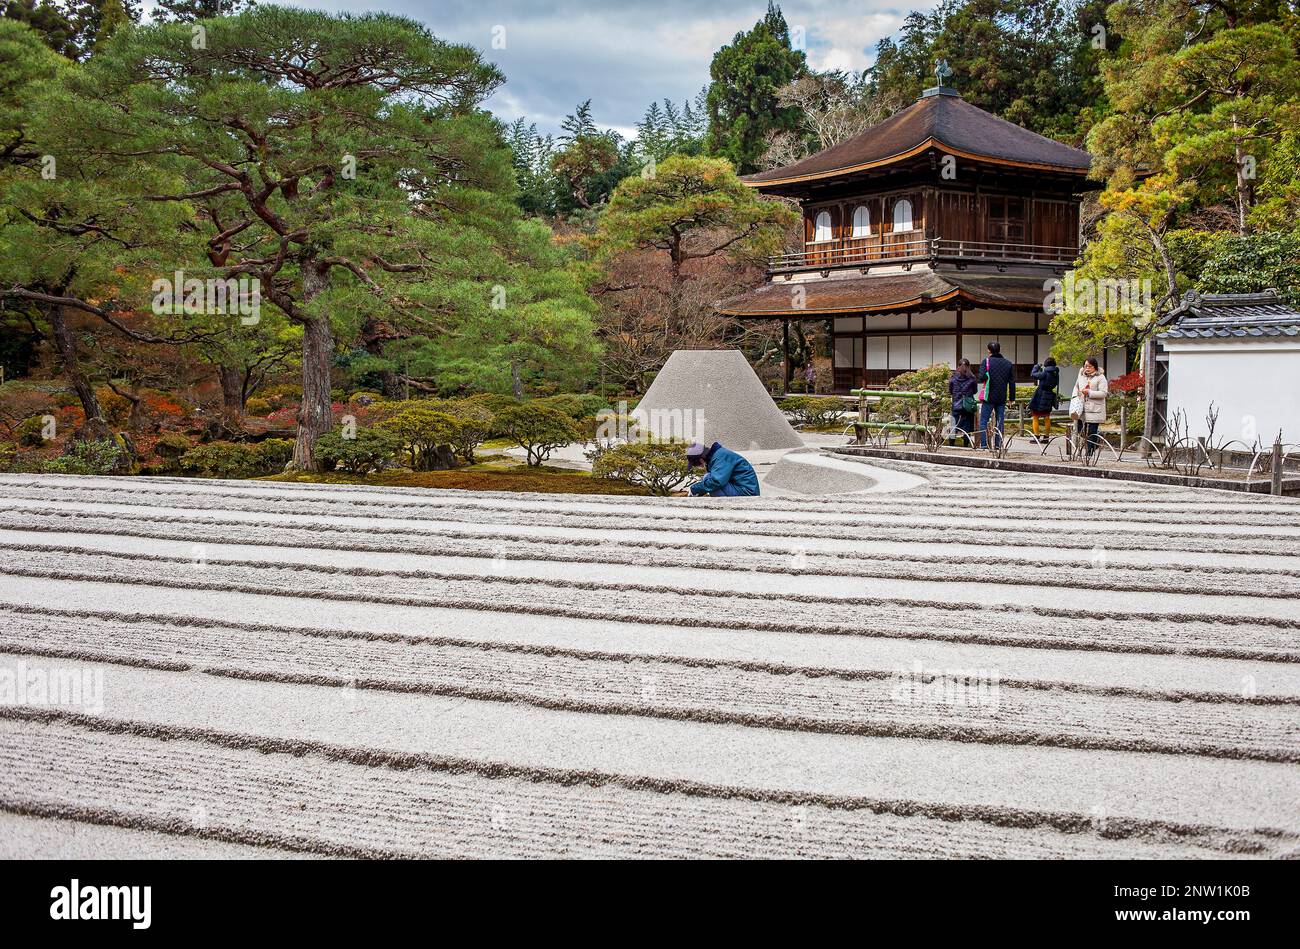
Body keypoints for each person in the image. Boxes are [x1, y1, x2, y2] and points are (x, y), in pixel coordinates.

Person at [976, 341, 1016, 449]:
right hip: (1001, 397)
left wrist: (987, 375)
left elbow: (981, 377)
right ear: (999, 349)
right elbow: (1012, 382)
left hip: (989, 396)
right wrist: (1012, 398)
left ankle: (984, 445)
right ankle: (998, 445)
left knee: (984, 420)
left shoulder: (987, 361)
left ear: (989, 350)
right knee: (1000, 421)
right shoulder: (1008, 363)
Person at [685, 441, 760, 497]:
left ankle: (722, 510)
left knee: (708, 477)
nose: (697, 467)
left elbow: (716, 482)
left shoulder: (721, 457)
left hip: (747, 494)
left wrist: (694, 489)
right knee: (708, 479)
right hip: (743, 490)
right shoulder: (718, 456)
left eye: (695, 464)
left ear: (701, 460)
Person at [1070, 357, 1108, 459]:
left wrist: (1090, 393)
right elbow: (1076, 387)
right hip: (1082, 408)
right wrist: (1075, 396)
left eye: (1090, 366)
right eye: (1085, 366)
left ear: (1095, 367)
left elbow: (1104, 393)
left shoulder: (1100, 377)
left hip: (1095, 409)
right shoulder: (1081, 376)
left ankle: (1090, 452)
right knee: (1080, 429)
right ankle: (1095, 444)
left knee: (1092, 431)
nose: (1087, 368)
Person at [1028, 356, 1060, 438]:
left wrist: (1037, 366)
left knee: (1035, 416)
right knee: (1047, 417)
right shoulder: (1056, 374)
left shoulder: (1045, 373)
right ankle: (1046, 436)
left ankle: (1036, 435)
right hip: (1049, 395)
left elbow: (1033, 374)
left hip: (1040, 395)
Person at [948, 358, 977, 446]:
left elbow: (950, 391)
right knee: (967, 424)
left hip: (956, 405)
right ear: (969, 366)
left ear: (958, 366)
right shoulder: (972, 378)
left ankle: (951, 444)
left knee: (953, 424)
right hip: (967, 406)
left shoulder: (953, 378)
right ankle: (966, 443)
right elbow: (975, 391)